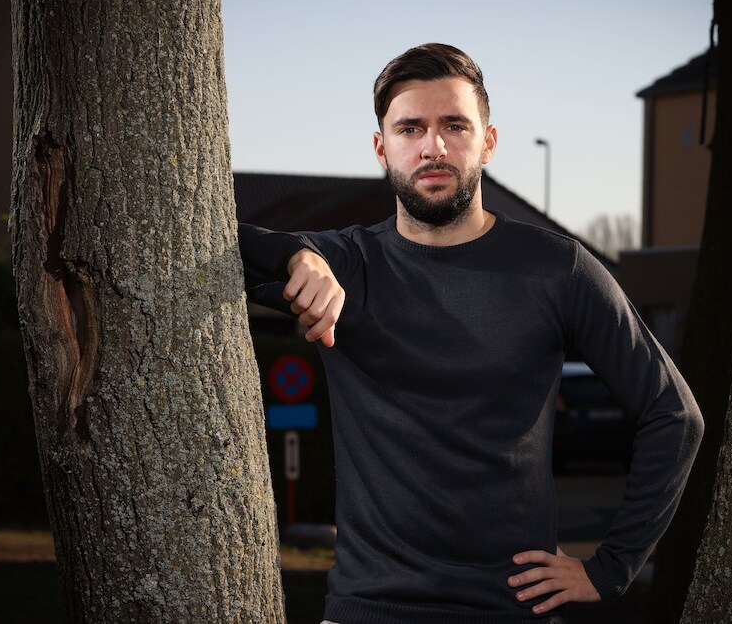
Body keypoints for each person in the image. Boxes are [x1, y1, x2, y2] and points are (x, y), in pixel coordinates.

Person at [238, 43, 703, 623]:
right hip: (368, 610)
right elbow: (218, 243)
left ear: (488, 141)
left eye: (454, 125)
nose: (433, 146)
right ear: (383, 149)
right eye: (410, 128)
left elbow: (675, 415)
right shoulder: (348, 262)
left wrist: (610, 568)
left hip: (511, 610)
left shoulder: (557, 269)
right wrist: (297, 258)